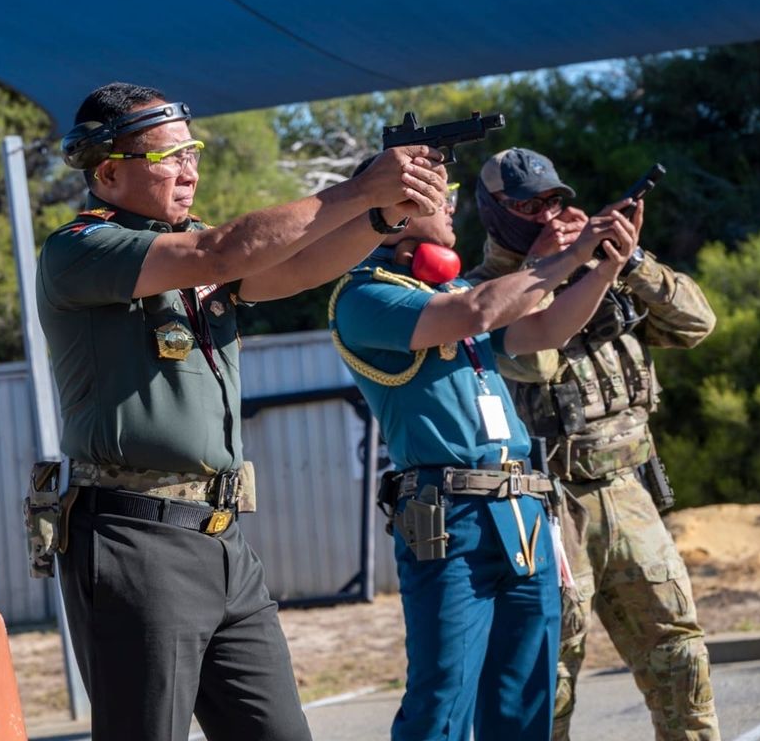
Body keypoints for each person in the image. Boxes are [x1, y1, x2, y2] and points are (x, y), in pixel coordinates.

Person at [35, 82, 449, 740]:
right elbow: (220, 253)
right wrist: (358, 190)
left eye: (191, 153)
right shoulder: (80, 249)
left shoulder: (193, 243)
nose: (190, 171)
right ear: (109, 172)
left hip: (219, 535)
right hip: (135, 538)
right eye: (168, 159)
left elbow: (299, 267)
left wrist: (382, 218)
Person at [329, 153, 642, 740]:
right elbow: (474, 311)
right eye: (433, 195)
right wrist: (568, 255)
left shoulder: (454, 289)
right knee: (442, 702)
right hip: (450, 520)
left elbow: (545, 329)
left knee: (526, 697)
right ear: (388, 211)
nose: (449, 205)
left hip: (521, 510)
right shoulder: (363, 298)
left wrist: (604, 267)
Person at [465, 148, 720, 740]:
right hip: (547, 508)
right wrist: (552, 268)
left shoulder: (607, 269)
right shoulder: (482, 294)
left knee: (678, 654)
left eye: (554, 200)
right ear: (494, 213)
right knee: (550, 670)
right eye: (528, 205)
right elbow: (533, 359)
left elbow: (695, 324)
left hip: (628, 491)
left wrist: (627, 260)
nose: (547, 212)